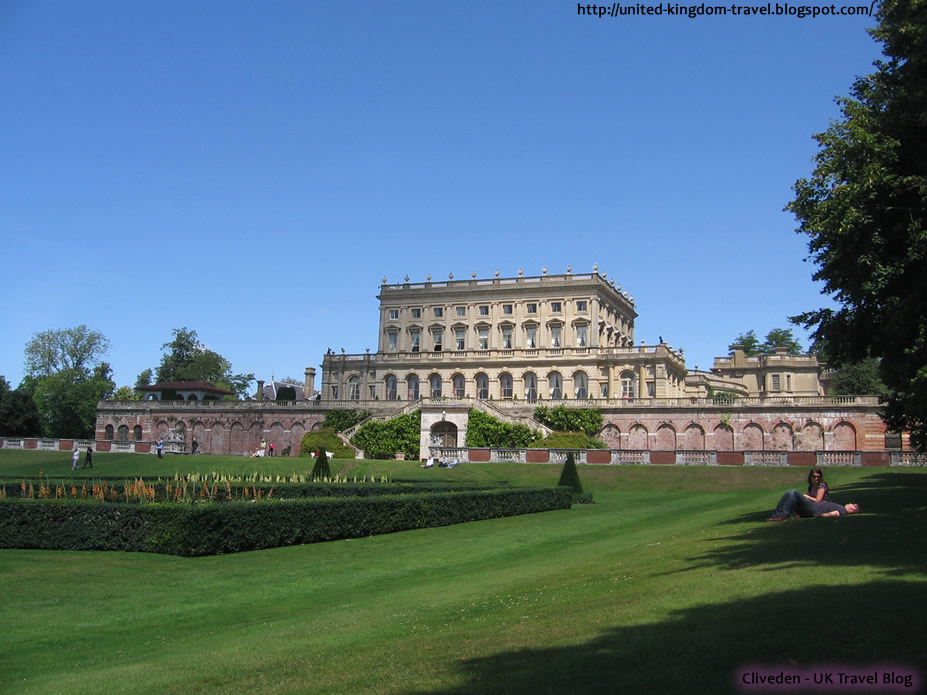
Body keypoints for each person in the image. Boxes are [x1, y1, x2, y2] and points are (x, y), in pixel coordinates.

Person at [766, 489, 860, 521]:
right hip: (810, 508)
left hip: (812, 509)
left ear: (852, 508)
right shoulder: (842, 507)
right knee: (789, 494)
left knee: (794, 492)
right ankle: (776, 516)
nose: (850, 503)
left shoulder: (843, 510)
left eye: (853, 504)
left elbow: (835, 514)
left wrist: (821, 516)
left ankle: (784, 515)